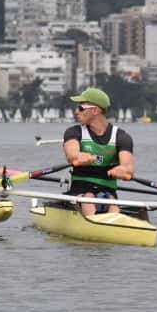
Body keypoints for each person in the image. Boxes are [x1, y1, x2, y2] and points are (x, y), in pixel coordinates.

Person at [62, 87, 134, 216]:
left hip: (107, 190)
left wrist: (123, 170)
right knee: (89, 197)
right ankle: (96, 224)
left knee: (111, 203)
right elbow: (71, 155)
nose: (76, 112)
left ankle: (112, 226)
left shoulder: (121, 137)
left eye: (81, 108)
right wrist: (78, 156)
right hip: (81, 188)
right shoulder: (74, 132)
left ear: (95, 110)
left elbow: (128, 167)